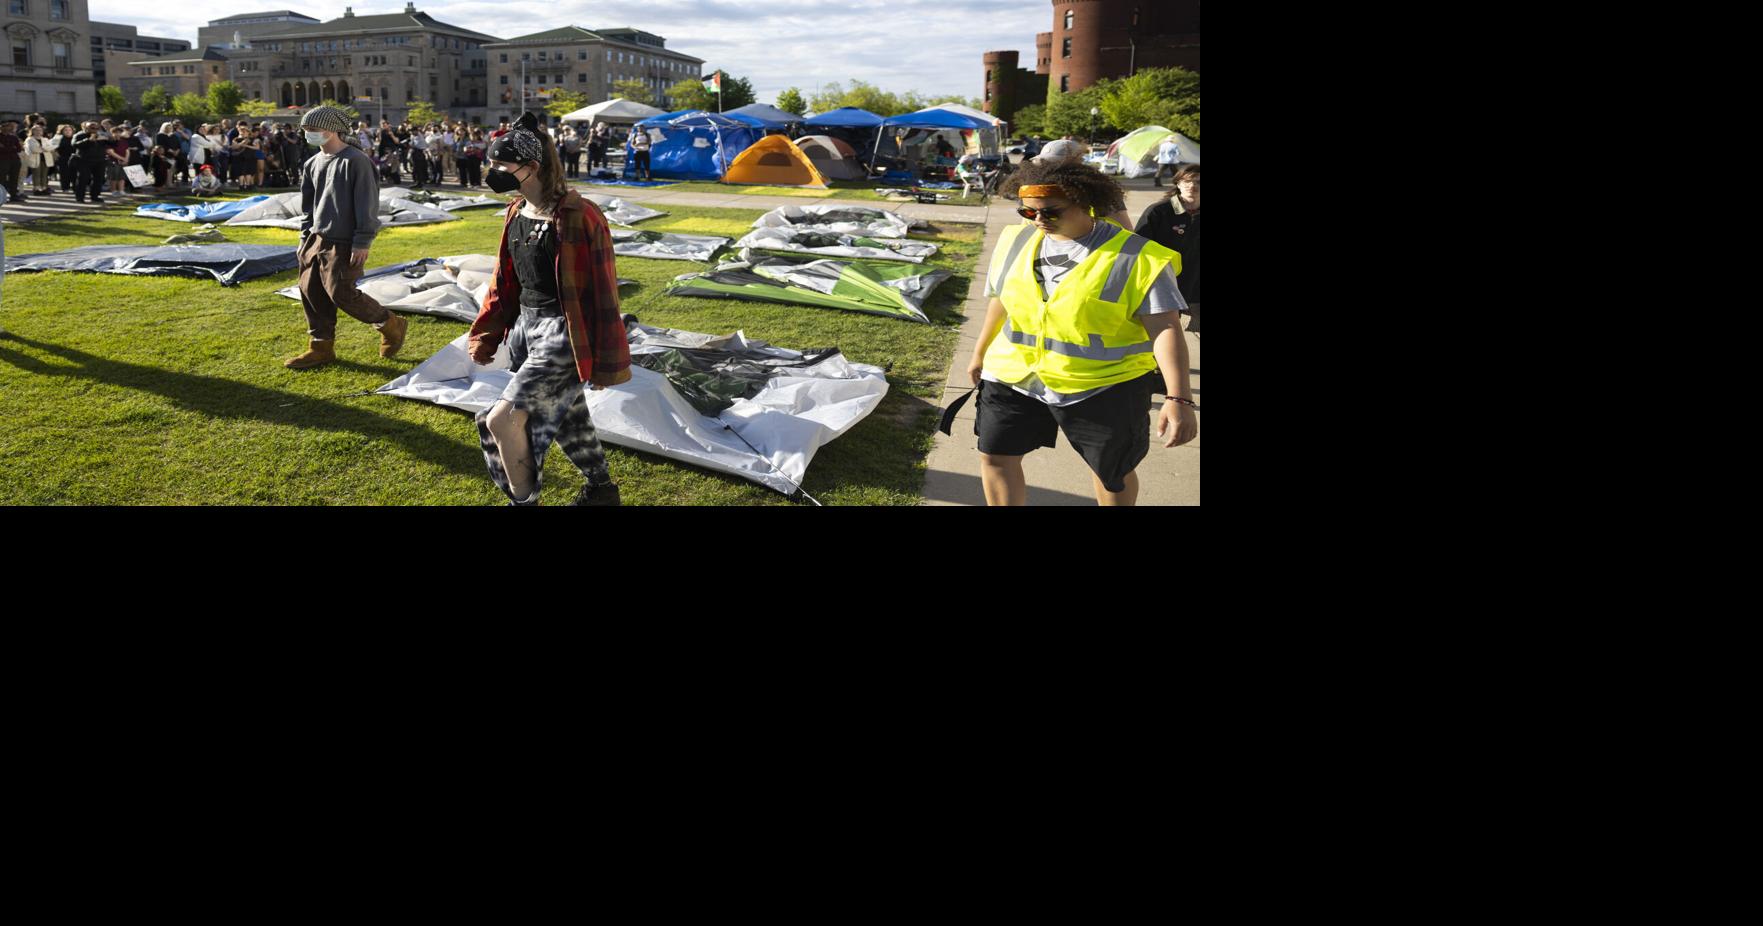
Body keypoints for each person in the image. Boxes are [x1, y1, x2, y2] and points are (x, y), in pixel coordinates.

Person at [962, 160, 1197, 506]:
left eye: (1050, 212)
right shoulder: (1015, 241)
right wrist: (980, 352)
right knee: (996, 456)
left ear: (1086, 202)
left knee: (1111, 474)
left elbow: (1165, 328)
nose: (1039, 220)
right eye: (1028, 213)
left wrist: (1179, 398)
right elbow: (1003, 300)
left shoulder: (1138, 257)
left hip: (1101, 385)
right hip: (1014, 376)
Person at [465, 110, 629, 507]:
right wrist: (487, 333)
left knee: (500, 420)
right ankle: (602, 490)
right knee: (569, 415)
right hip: (527, 328)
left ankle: (524, 503)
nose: (493, 171)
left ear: (531, 167)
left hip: (563, 335)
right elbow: (505, 279)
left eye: (501, 164)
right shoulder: (515, 210)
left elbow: (604, 293)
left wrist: (607, 361)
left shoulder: (579, 215)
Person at [283, 105, 407, 371]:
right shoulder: (312, 163)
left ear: (331, 130)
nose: (308, 135)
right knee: (311, 291)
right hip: (315, 238)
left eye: (313, 130)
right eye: (305, 130)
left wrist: (363, 240)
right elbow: (309, 206)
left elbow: (367, 204)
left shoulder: (356, 161)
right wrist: (305, 238)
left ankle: (390, 324)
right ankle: (321, 347)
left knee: (341, 293)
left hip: (345, 240)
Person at [1135, 164, 1199, 335]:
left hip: (1196, 281)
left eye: (1199, 182)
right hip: (1166, 281)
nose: (1193, 186)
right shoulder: (1159, 211)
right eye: (1187, 182)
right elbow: (1138, 245)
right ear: (1178, 183)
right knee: (1166, 332)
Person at [1013, 139, 1131, 227]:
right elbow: (1026, 229)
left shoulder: (1100, 192)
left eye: (1053, 165)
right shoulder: (1032, 190)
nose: (1046, 169)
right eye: (1043, 164)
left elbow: (1123, 231)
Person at [24, 124, 55, 196]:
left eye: (40, 130)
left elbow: (51, 147)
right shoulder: (29, 139)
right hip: (35, 159)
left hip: (45, 159)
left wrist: (43, 148)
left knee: (44, 175)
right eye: (36, 130)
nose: (38, 132)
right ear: (32, 131)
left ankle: (44, 188)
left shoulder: (45, 139)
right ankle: (36, 189)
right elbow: (34, 149)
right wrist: (44, 149)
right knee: (36, 174)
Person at [0, 121, 24, 204]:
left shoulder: (13, 137)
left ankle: (13, 195)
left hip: (15, 160)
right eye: (4, 127)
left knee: (14, 178)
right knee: (1, 179)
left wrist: (6, 147)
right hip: (2, 161)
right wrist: (11, 148)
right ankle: (2, 197)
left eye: (8, 127)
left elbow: (19, 148)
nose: (6, 129)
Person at [152, 122, 179, 189]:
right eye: (167, 127)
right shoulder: (160, 135)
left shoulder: (174, 136)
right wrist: (171, 150)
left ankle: (169, 183)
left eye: (170, 127)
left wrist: (177, 151)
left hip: (173, 155)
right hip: (165, 155)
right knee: (165, 170)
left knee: (171, 170)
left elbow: (178, 144)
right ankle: (164, 184)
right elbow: (161, 145)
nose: (169, 129)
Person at [54, 124, 76, 192]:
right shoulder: (58, 138)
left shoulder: (75, 138)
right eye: (65, 130)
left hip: (74, 158)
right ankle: (65, 187)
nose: (68, 131)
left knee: (74, 174)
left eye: (69, 130)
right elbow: (54, 148)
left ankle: (75, 187)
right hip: (63, 158)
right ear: (62, 131)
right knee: (64, 174)